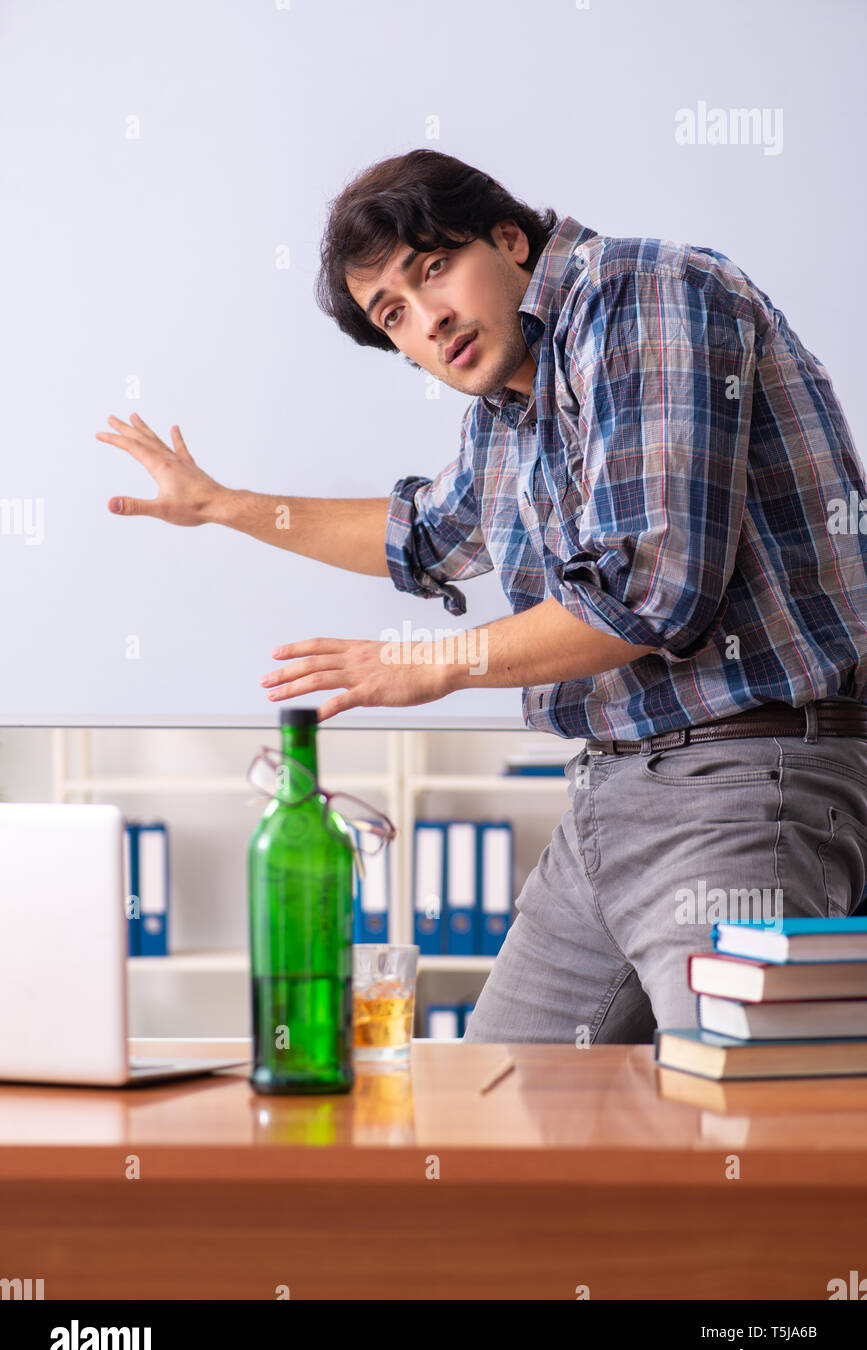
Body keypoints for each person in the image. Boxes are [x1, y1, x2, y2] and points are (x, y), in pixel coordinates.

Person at [96, 148, 867, 1043]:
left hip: (740, 781)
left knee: (741, 1137)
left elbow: (650, 592)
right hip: (608, 794)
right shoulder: (506, 414)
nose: (430, 319)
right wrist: (224, 505)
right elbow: (421, 534)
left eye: (434, 269)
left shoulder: (643, 292)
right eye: (394, 313)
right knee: (496, 1117)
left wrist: (433, 664)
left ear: (511, 240)